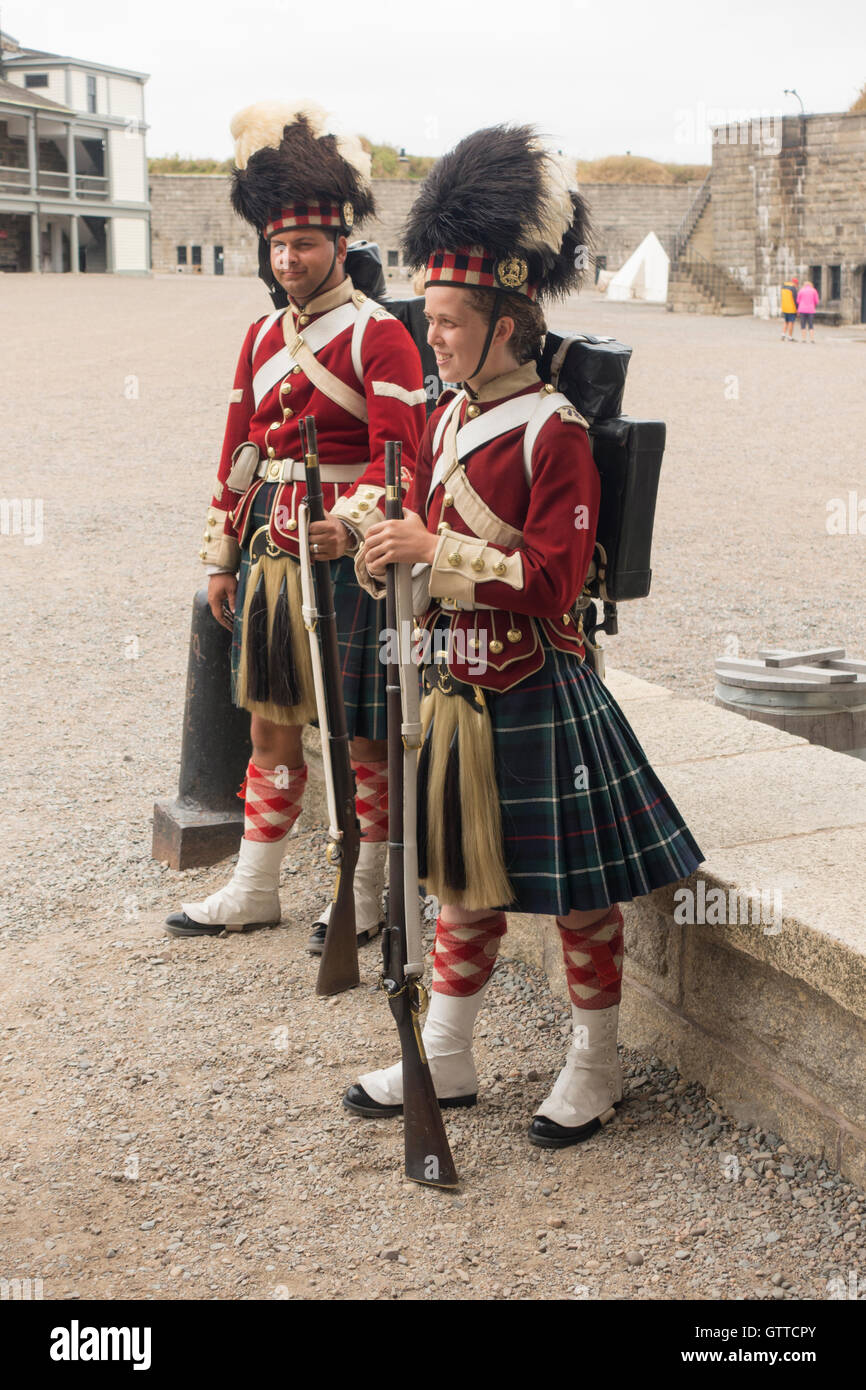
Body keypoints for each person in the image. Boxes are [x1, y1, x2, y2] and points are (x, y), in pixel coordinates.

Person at [341, 125, 704, 1147]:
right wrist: (374, 533)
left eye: (450, 322)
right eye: (431, 320)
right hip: (453, 683)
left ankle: (595, 1065)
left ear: (506, 322)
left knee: (580, 902)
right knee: (461, 883)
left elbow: (550, 583)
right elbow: (406, 504)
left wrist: (432, 545)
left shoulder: (555, 434)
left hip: (536, 682)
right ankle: (447, 1050)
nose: (434, 337)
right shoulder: (447, 413)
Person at [165, 101, 426, 946]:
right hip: (272, 560)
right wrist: (220, 556)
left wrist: (350, 528)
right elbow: (237, 453)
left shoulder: (383, 338)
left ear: (339, 247)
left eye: (304, 245)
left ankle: (374, 893)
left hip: (347, 569)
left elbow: (404, 461)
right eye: (277, 246)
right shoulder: (257, 337)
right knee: (272, 725)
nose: (288, 259)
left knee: (366, 742)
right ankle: (255, 885)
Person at [780, 274, 799, 340]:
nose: (797, 286)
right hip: (791, 308)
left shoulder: (784, 287)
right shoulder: (793, 288)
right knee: (791, 323)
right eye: (797, 284)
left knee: (786, 322)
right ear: (795, 283)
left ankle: (783, 334)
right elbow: (795, 300)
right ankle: (790, 337)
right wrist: (797, 309)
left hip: (785, 307)